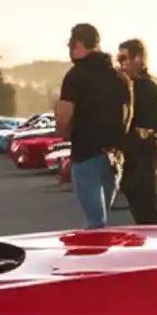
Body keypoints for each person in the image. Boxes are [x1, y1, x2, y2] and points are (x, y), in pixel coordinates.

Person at [55, 23, 133, 229]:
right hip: (113, 156)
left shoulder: (75, 76)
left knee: (95, 222)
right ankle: (104, 255)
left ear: (79, 44)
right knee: (102, 216)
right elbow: (128, 114)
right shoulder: (120, 77)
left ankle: (95, 258)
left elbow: (64, 116)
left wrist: (63, 130)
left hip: (85, 154)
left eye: (71, 44)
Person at [117, 39, 157, 225]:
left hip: (144, 157)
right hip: (131, 157)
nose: (121, 63)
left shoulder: (146, 87)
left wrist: (139, 133)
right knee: (141, 211)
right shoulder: (126, 84)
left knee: (147, 211)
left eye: (124, 58)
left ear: (138, 58)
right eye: (119, 59)